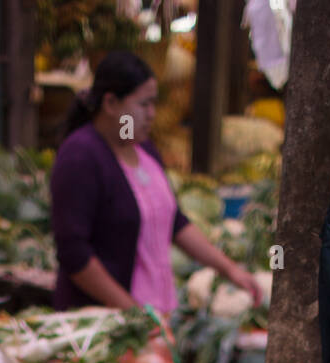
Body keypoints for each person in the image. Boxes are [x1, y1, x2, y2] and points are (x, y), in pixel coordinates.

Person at [50, 50, 260, 315]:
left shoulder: (144, 149)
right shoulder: (80, 156)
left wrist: (229, 270)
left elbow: (175, 222)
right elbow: (73, 253)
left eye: (154, 104)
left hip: (155, 315)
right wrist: (132, 312)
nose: (152, 114)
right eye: (143, 104)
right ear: (111, 103)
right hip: (106, 324)